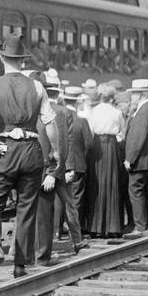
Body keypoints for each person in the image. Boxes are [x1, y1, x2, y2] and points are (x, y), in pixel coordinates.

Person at [0, 37, 60, 277]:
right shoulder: (37, 86)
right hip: (31, 150)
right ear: (22, 61)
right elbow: (50, 122)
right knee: (26, 207)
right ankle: (20, 264)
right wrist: (55, 151)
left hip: (4, 148)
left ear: (1, 58)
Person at [35, 70, 73, 263]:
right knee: (28, 215)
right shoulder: (21, 111)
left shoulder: (53, 112)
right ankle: (26, 255)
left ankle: (40, 255)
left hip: (43, 169)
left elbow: (61, 146)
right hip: (25, 170)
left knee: (42, 215)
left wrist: (53, 172)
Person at [85, 83, 127, 239]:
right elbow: (121, 133)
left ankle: (95, 226)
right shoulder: (117, 113)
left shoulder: (93, 111)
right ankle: (113, 226)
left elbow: (89, 131)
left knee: (96, 184)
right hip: (111, 147)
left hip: (97, 147)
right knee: (111, 182)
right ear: (112, 97)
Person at [122, 79, 148, 238]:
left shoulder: (143, 111)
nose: (132, 97)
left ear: (138, 95)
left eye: (133, 94)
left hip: (140, 160)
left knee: (136, 191)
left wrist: (129, 158)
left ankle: (140, 225)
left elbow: (138, 137)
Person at [61, 85, 93, 243]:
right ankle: (75, 232)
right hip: (78, 164)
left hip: (60, 165)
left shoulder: (57, 116)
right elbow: (89, 144)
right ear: (77, 102)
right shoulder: (81, 121)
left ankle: (57, 231)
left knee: (58, 200)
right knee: (76, 199)